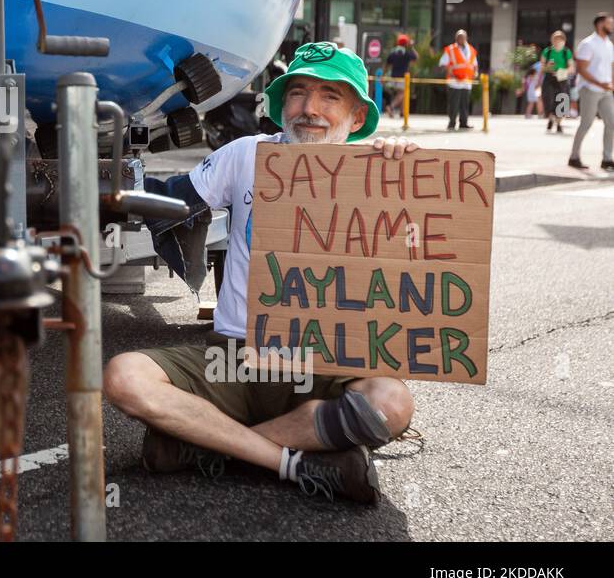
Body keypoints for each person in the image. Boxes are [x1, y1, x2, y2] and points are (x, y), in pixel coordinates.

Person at [104, 43, 417, 504]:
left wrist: (411, 169)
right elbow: (175, 201)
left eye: (331, 96)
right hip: (235, 356)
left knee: (391, 403)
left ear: (356, 119)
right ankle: (289, 461)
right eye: (298, 93)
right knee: (124, 376)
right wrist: (99, 187)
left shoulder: (384, 172)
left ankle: (212, 446)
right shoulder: (246, 154)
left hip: (327, 361)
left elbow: (423, 257)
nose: (309, 109)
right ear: (280, 104)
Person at [568, 12, 614, 171]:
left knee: (612, 123)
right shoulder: (588, 44)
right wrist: (600, 83)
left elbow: (611, 66)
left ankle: (607, 159)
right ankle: (574, 157)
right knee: (586, 123)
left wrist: (611, 83)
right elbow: (581, 69)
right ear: (600, 24)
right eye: (609, 23)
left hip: (606, 91)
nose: (612, 26)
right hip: (589, 89)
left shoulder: (609, 44)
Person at [439, 29, 478, 130]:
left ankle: (463, 123)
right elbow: (443, 64)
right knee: (453, 104)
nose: (461, 39)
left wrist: (475, 73)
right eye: (459, 37)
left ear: (466, 38)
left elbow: (474, 64)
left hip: (466, 81)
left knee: (465, 104)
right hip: (454, 82)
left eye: (462, 37)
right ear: (456, 38)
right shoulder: (450, 49)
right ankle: (452, 123)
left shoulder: (471, 49)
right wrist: (450, 71)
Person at [539, 31, 575, 133]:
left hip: (562, 78)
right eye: (555, 39)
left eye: (560, 40)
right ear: (552, 40)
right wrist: (547, 67)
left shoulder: (566, 52)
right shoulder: (547, 51)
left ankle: (559, 123)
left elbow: (572, 68)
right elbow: (541, 68)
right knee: (549, 100)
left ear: (564, 41)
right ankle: (551, 119)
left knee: (562, 101)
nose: (557, 42)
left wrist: (562, 71)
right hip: (549, 78)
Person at [383, 34, 416, 117]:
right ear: (406, 44)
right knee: (402, 93)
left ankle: (402, 112)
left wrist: (383, 76)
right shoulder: (406, 53)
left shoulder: (393, 53)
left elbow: (387, 65)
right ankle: (391, 107)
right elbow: (416, 57)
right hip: (402, 77)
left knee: (400, 94)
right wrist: (412, 47)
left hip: (393, 77)